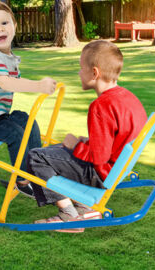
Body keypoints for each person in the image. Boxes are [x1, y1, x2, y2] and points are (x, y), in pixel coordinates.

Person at [28, 40, 147, 232]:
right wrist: (87, 142)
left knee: (36, 156)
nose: (78, 73)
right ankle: (86, 208)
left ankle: (69, 215)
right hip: (116, 170)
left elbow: (98, 158)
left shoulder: (100, 106)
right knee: (52, 150)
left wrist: (76, 146)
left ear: (94, 72)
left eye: (81, 68)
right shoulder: (127, 97)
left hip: (100, 174)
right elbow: (116, 140)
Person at [0, 0, 57, 197]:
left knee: (27, 120)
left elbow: (13, 81)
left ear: (14, 25)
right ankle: (22, 181)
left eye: (4, 23)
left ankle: (36, 168)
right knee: (15, 134)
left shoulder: (6, 55)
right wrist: (39, 86)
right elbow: (5, 83)